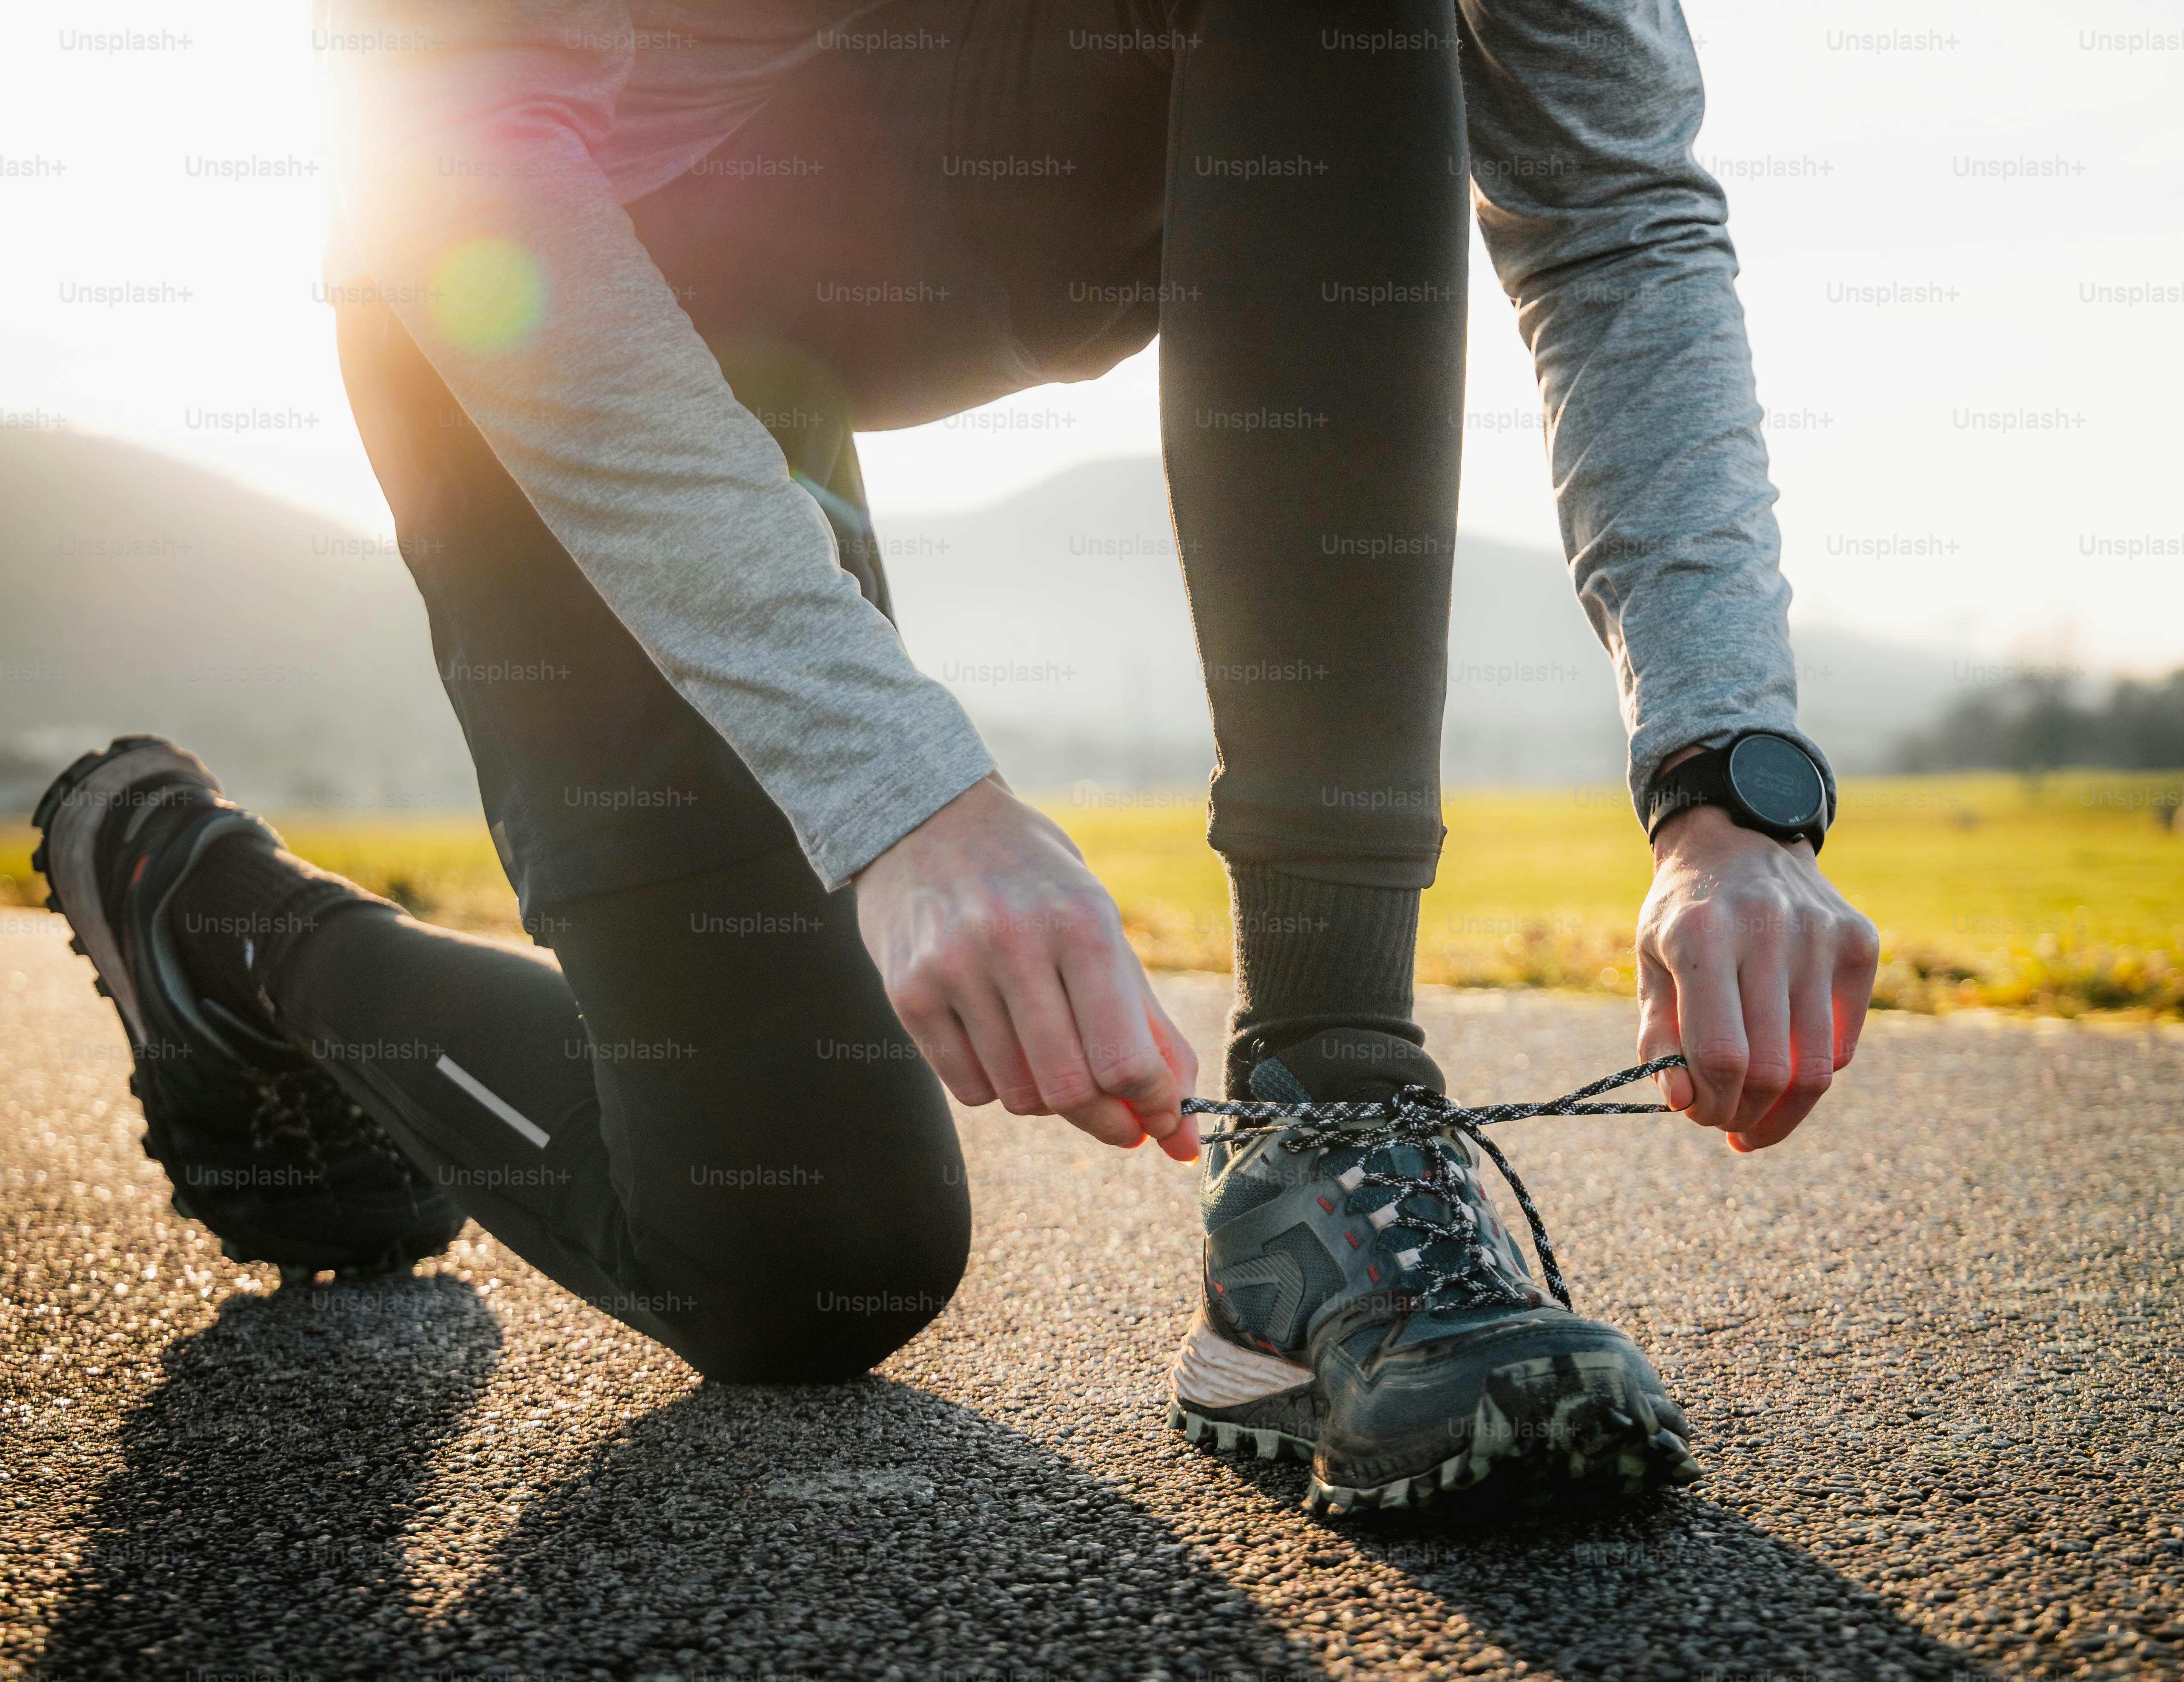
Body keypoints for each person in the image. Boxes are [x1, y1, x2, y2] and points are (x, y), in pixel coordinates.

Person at [35, 0, 1877, 1516]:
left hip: (962, 208)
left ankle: (1337, 1107)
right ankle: (210, 913)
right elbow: (442, 170)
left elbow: (1614, 208)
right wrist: (904, 796)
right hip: (527, 275)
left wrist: (1730, 784)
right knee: (804, 1251)